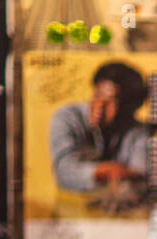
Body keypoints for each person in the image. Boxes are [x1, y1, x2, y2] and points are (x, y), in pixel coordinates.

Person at [49, 62, 148, 194]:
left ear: (129, 108)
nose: (100, 106)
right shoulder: (67, 117)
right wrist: (108, 171)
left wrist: (90, 172)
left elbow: (142, 177)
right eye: (97, 95)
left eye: (111, 101)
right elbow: (64, 173)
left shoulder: (139, 131)